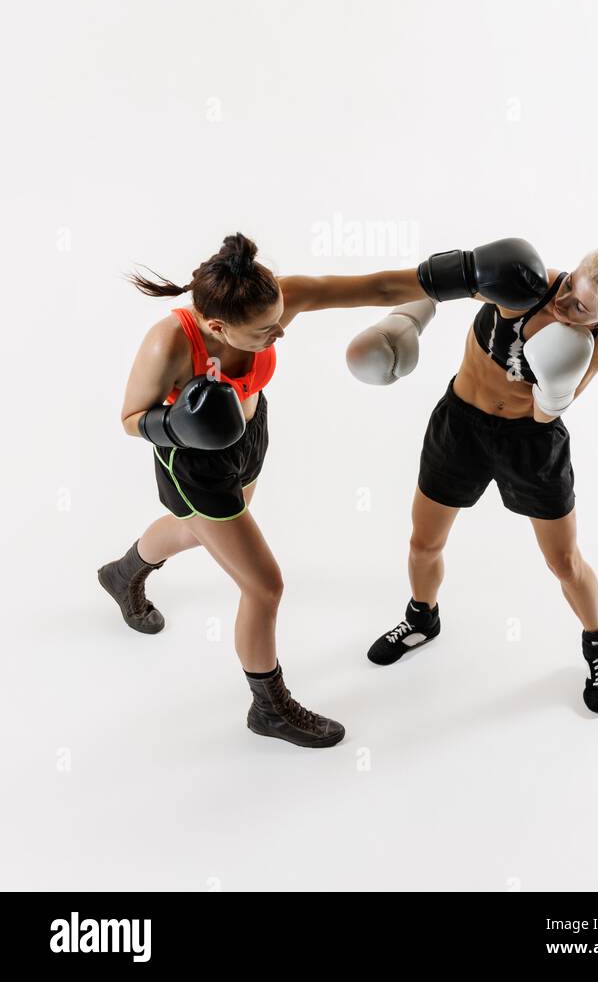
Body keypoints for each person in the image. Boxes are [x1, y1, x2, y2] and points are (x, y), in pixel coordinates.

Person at [98, 232, 435, 750]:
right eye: (263, 332)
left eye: (278, 320)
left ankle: (124, 574)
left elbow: (381, 287)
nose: (279, 332)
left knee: (196, 536)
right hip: (194, 463)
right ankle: (268, 707)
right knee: (264, 586)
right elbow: (128, 419)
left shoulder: (275, 300)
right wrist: (181, 425)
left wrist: (466, 276)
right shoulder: (169, 342)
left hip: (250, 437)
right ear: (217, 327)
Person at [347, 239, 598, 715]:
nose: (565, 303)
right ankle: (423, 617)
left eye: (581, 309)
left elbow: (553, 412)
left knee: (565, 562)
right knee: (424, 543)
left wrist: (556, 379)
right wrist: (403, 322)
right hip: (461, 424)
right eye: (569, 287)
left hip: (531, 443)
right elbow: (431, 284)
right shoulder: (522, 280)